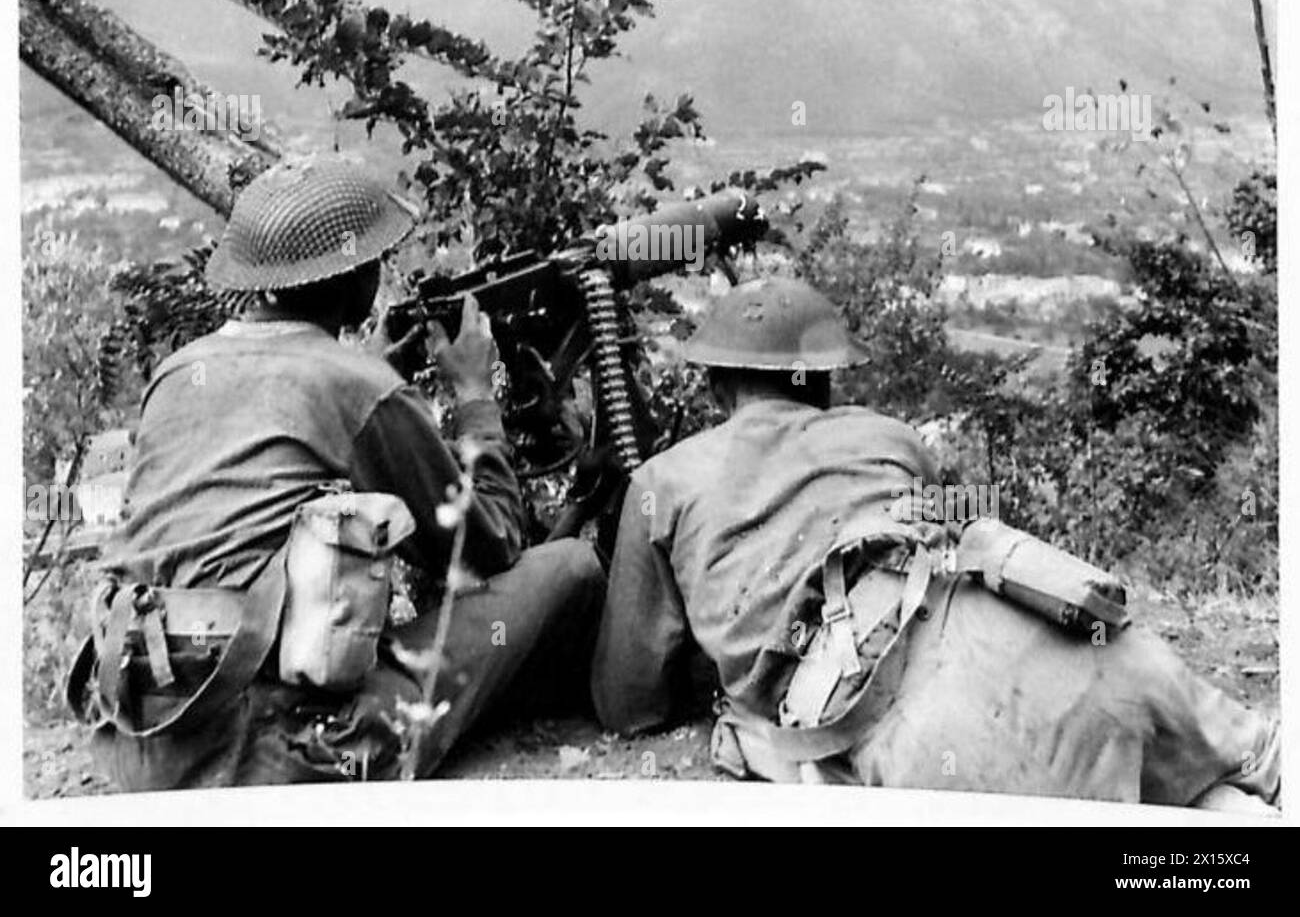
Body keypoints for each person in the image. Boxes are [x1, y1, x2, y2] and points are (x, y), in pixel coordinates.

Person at [591, 276, 1280, 808]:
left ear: (715, 385)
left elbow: (629, 703)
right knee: (1247, 775)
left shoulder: (665, 482)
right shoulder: (889, 437)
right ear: (827, 381)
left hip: (915, 720)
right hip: (1069, 635)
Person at [70, 155, 604, 788]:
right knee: (568, 566)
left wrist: (368, 380)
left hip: (139, 736)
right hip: (279, 755)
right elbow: (484, 547)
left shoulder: (181, 370)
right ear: (356, 277)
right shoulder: (357, 384)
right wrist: (473, 397)